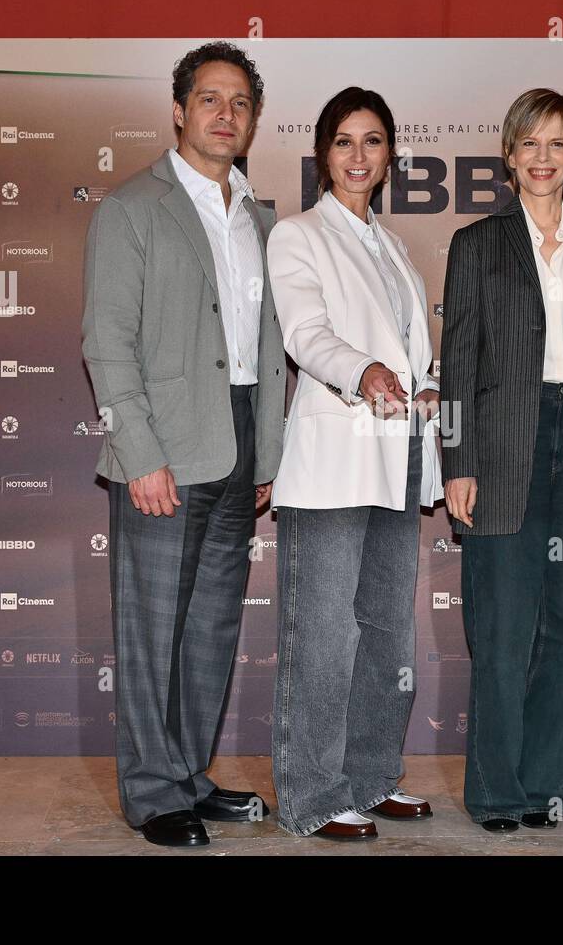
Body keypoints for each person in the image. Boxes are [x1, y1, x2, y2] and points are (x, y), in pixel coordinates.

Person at [80, 42, 285, 847]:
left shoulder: (261, 218)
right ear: (178, 109)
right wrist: (140, 452)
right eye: (209, 99)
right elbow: (106, 342)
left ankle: (190, 776)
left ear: (253, 118)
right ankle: (152, 792)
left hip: (237, 441)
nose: (224, 114)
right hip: (164, 445)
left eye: (239, 102)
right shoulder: (132, 208)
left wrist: (265, 455)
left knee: (208, 628)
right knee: (153, 627)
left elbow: (266, 349)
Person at [439, 88, 563, 833]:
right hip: (504, 446)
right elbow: (456, 364)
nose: (544, 159)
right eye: (531, 144)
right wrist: (458, 459)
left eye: (559, 145)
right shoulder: (476, 244)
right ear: (509, 155)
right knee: (503, 629)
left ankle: (547, 789)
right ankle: (494, 793)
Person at [265, 87, 444, 840]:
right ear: (322, 155)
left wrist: (426, 383)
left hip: (398, 459)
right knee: (325, 637)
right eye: (344, 141)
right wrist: (362, 370)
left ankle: (373, 778)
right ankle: (311, 794)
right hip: (336, 459)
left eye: (373, 142)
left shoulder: (393, 246)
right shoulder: (298, 235)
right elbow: (305, 333)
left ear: (390, 157)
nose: (359, 156)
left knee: (386, 633)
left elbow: (412, 350)